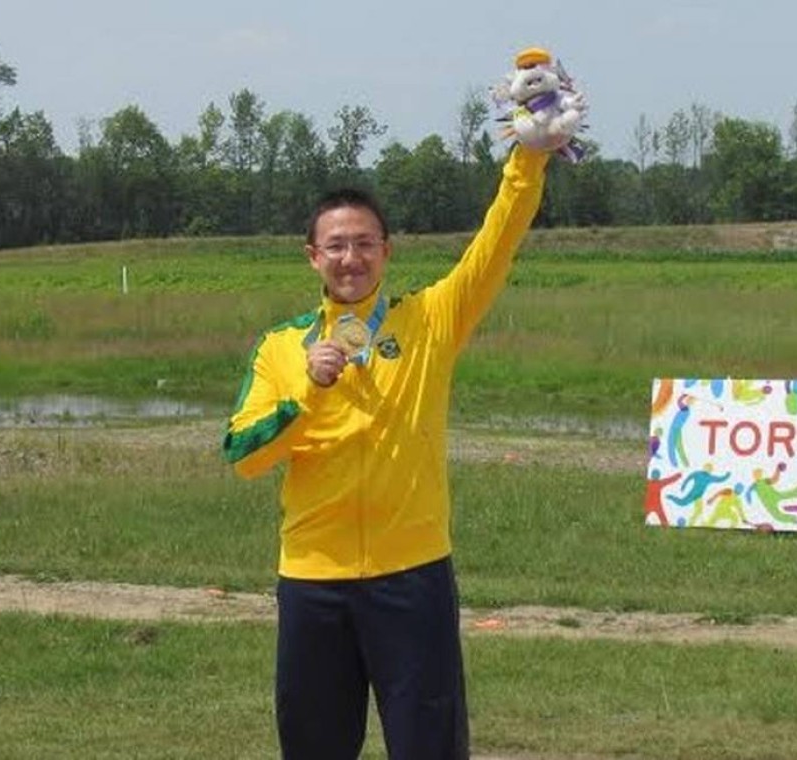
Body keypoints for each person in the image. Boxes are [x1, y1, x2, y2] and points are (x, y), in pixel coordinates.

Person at [221, 133, 551, 758]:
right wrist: (310, 394)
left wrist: (529, 158)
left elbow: (496, 241)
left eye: (365, 244)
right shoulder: (280, 348)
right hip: (313, 584)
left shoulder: (429, 319)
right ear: (312, 256)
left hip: (413, 577)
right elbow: (243, 455)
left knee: (430, 743)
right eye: (337, 246)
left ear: (386, 251)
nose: (352, 258)